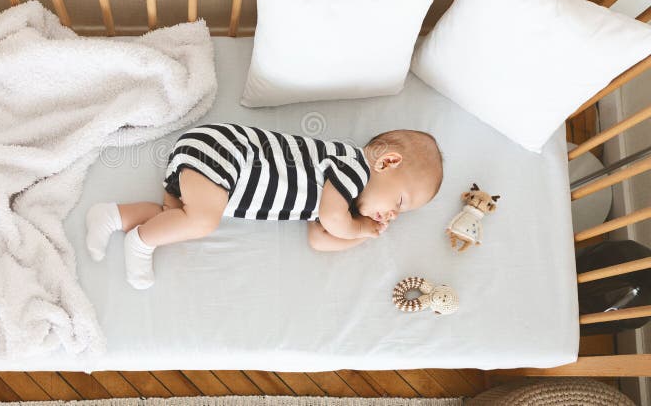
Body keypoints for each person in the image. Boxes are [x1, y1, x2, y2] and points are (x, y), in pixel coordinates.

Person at [85, 123, 443, 289]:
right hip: (226, 154)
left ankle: (114, 216)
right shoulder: (353, 167)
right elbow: (333, 221)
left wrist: (363, 235)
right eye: (400, 201)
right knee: (202, 222)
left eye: (401, 213)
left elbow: (319, 240)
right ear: (387, 162)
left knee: (178, 219)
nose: (395, 215)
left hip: (215, 176)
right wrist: (361, 228)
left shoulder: (345, 199)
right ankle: (141, 241)